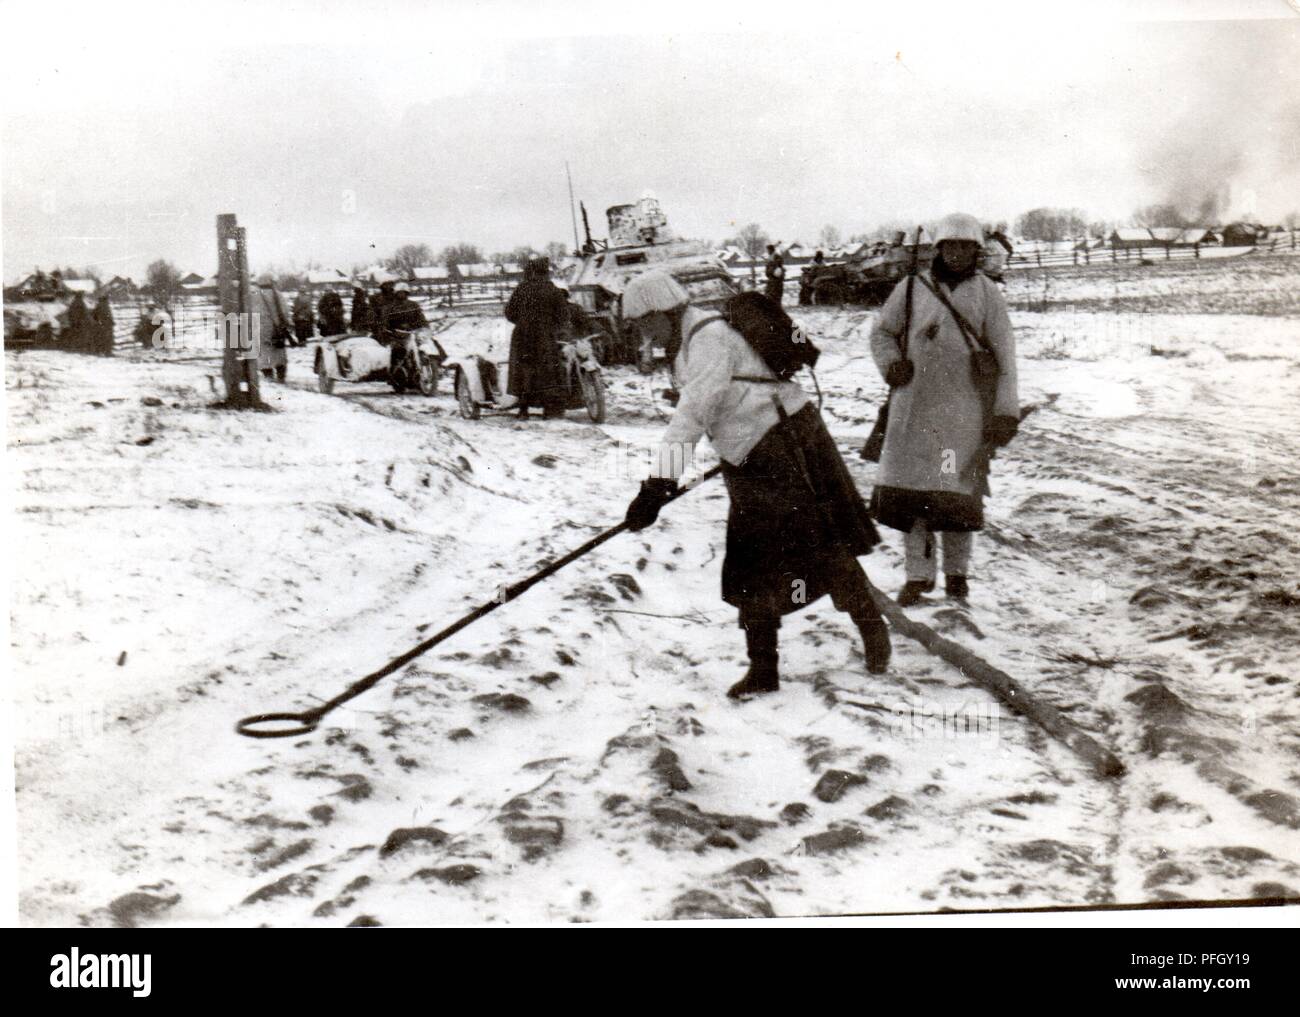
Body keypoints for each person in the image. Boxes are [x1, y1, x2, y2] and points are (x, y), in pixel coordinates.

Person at [622, 272, 891, 700]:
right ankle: (764, 668)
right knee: (756, 562)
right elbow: (712, 407)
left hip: (784, 444)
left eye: (642, 322)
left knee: (819, 545)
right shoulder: (689, 341)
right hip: (755, 450)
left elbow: (691, 415)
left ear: (662, 311)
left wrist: (657, 485)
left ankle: (872, 632)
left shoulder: (707, 338)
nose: (641, 333)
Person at [868, 212, 1020, 606]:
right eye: (950, 246)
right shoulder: (912, 288)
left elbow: (1005, 355)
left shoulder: (987, 293)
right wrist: (891, 365)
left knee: (953, 494)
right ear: (939, 249)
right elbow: (882, 333)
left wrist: (1006, 412)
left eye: (965, 246)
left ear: (976, 251)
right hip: (913, 412)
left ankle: (957, 576)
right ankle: (918, 578)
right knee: (913, 495)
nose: (957, 253)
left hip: (962, 417)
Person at [504, 257, 568, 419]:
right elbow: (563, 315)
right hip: (545, 337)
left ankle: (523, 410)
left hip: (522, 336)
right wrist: (552, 327)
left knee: (524, 371)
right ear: (546, 272)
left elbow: (509, 313)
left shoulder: (521, 289)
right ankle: (548, 410)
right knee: (546, 372)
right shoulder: (552, 290)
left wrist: (522, 322)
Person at [251, 274, 292, 381]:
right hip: (276, 328)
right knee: (279, 352)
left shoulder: (253, 294)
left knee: (264, 353)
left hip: (260, 328)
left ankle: (268, 375)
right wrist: (287, 324)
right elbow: (285, 311)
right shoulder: (277, 294)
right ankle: (281, 375)